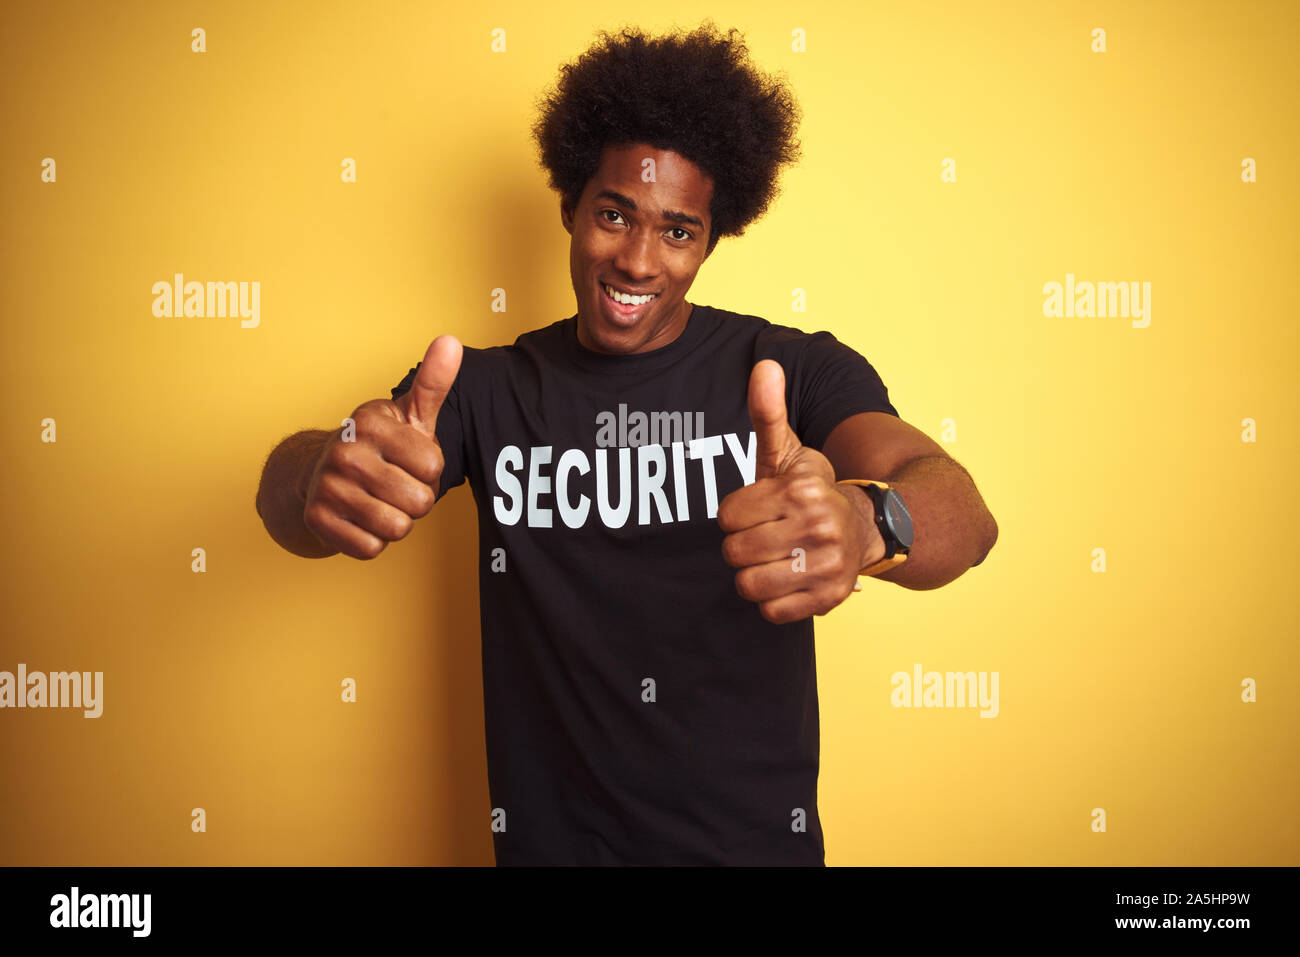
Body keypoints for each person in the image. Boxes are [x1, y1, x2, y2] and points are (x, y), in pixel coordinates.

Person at [255, 22, 998, 865]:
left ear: (711, 241)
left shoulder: (788, 372)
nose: (640, 260)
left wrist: (869, 525)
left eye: (678, 231)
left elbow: (964, 514)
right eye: (615, 214)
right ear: (571, 207)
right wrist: (320, 471)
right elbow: (288, 502)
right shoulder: (480, 390)